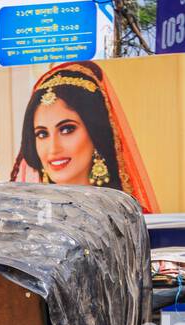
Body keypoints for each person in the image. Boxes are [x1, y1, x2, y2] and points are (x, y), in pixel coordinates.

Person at [10, 61, 160, 213]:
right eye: (42, 134)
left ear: (95, 132)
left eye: (67, 129)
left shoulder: (129, 218)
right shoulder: (28, 219)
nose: (53, 148)